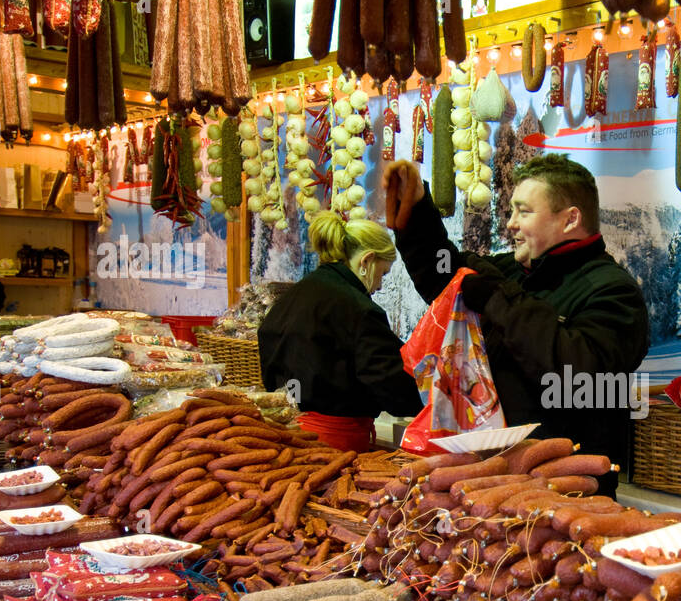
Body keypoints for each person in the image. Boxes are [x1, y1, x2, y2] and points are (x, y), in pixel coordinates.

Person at [383, 154, 649, 496]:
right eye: (512, 211)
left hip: (569, 492)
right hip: (491, 482)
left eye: (524, 211)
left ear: (570, 219)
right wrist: (417, 211)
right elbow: (445, 271)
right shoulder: (510, 272)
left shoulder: (614, 292)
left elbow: (578, 374)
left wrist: (499, 301)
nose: (510, 223)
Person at [258, 211, 423, 453]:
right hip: (336, 444)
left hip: (285, 435)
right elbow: (391, 385)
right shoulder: (361, 310)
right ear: (367, 261)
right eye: (383, 273)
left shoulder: (291, 298)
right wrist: (432, 401)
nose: (380, 285)